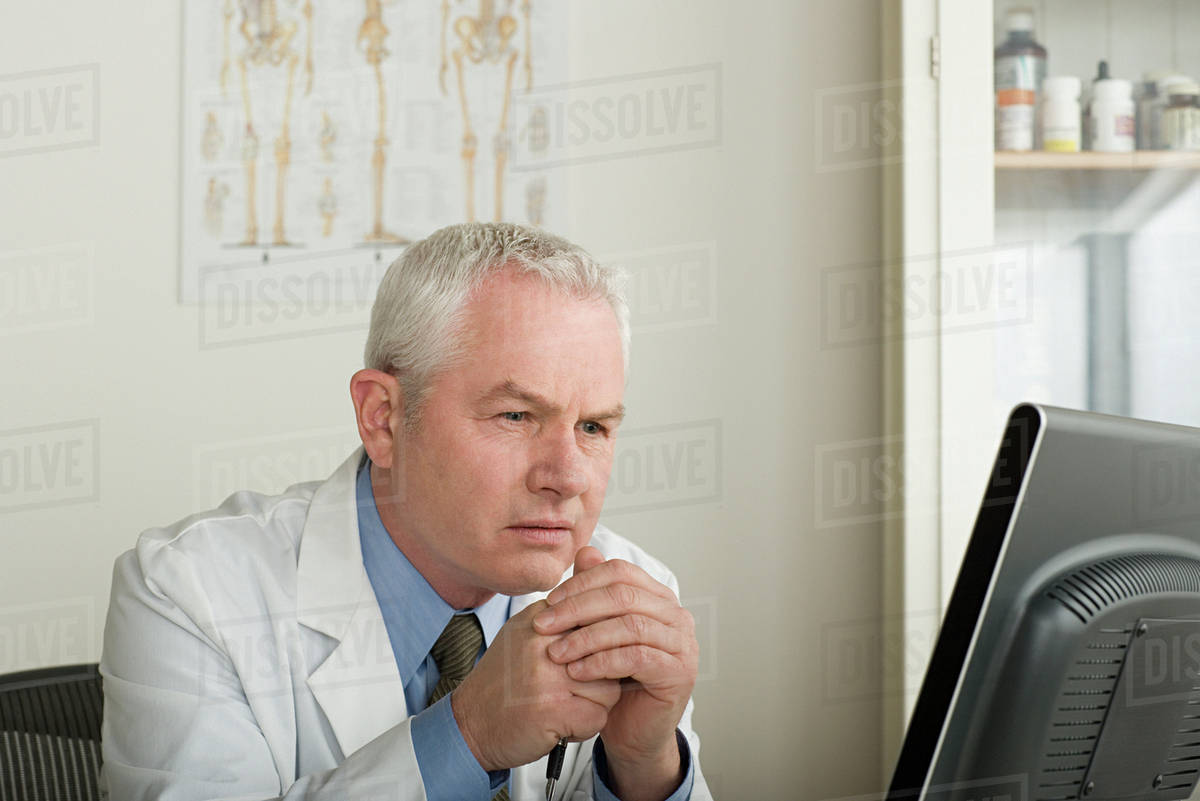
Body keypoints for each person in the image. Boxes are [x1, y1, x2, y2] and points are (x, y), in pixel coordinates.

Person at [100, 223, 713, 801]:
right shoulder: (187, 593)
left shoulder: (633, 595)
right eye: (516, 416)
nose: (569, 477)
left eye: (594, 426)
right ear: (383, 418)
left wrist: (644, 766)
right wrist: (468, 737)